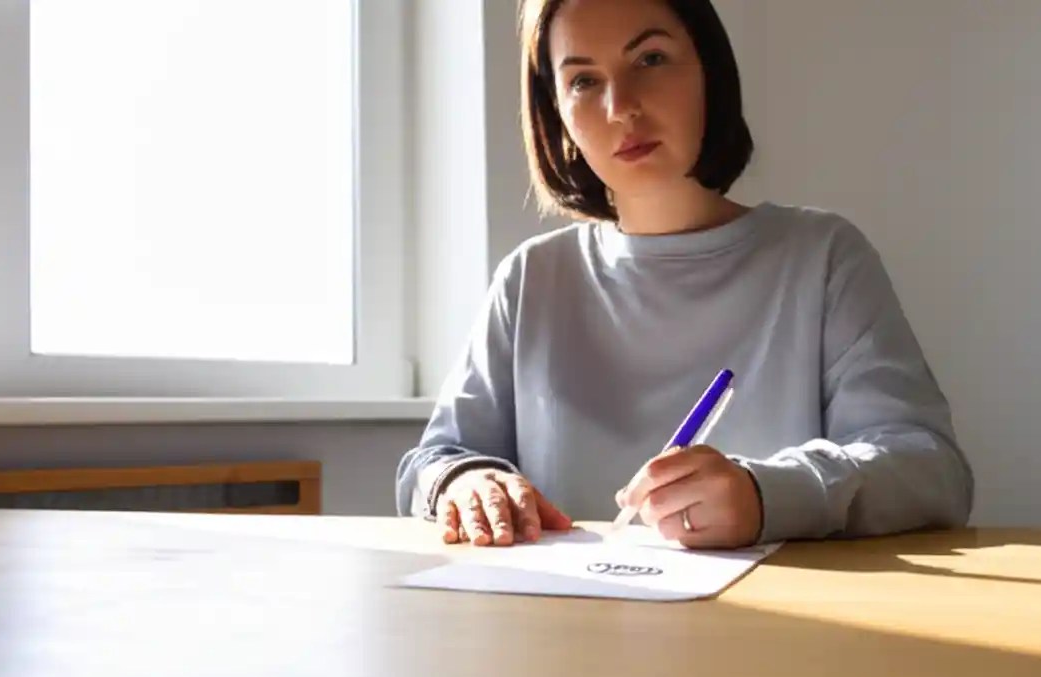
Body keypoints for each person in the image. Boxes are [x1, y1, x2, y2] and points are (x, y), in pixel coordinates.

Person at [395, 0, 974, 549]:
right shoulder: (530, 278)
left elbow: (930, 469)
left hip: (775, 615)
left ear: (709, 71)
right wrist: (464, 481)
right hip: (566, 615)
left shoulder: (821, 256)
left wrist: (766, 496)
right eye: (584, 81)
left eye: (650, 59)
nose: (621, 107)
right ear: (557, 113)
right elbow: (433, 461)